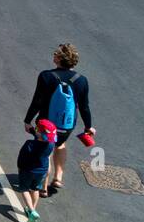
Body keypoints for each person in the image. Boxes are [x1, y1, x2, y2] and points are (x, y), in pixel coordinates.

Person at [23, 43, 94, 196]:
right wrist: (88, 126)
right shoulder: (82, 80)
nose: (53, 55)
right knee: (60, 144)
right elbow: (84, 107)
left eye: (55, 53)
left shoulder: (46, 76)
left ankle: (43, 187)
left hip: (46, 123)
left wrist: (28, 120)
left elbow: (37, 102)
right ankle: (58, 178)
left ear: (60, 58)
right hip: (66, 125)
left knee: (45, 151)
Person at [18, 119, 58, 222]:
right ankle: (33, 209)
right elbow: (40, 137)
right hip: (41, 171)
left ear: (38, 132)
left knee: (24, 189)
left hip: (28, 170)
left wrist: (20, 167)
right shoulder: (50, 144)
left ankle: (31, 210)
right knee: (35, 189)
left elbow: (21, 159)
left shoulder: (29, 144)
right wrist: (34, 131)